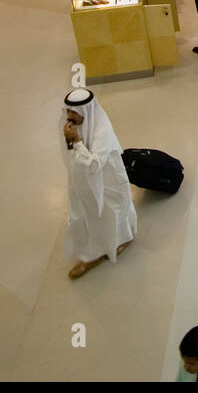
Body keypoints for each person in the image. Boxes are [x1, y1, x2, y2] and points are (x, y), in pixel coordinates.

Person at [61, 87, 136, 279]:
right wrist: (72, 142)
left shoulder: (102, 129)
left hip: (108, 181)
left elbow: (94, 165)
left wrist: (76, 141)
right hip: (82, 182)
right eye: (68, 110)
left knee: (111, 213)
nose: (69, 116)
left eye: (74, 112)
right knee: (88, 215)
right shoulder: (70, 124)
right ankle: (91, 253)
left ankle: (122, 239)